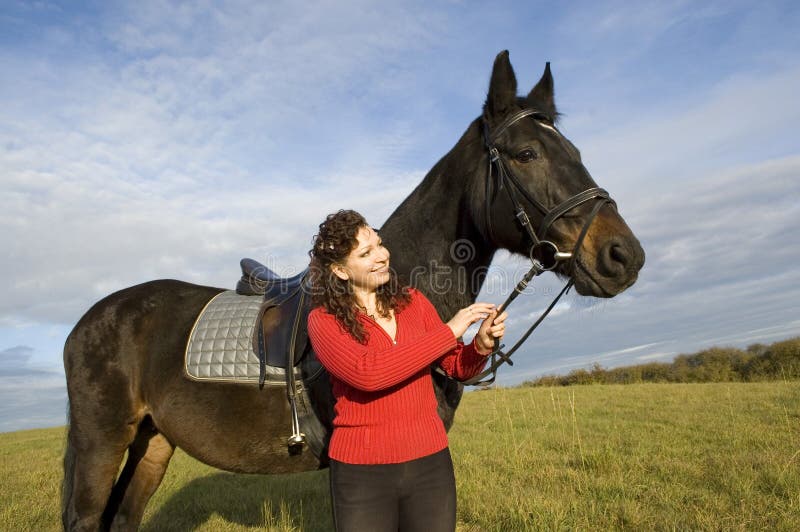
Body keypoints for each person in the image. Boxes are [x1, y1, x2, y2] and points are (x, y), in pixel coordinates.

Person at [306, 209, 508, 532]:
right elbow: (368, 372)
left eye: (380, 244)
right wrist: (449, 331)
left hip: (431, 466)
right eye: (366, 253)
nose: (382, 256)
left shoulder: (413, 301)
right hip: (362, 476)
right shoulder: (323, 321)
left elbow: (456, 364)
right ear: (340, 271)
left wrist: (481, 346)